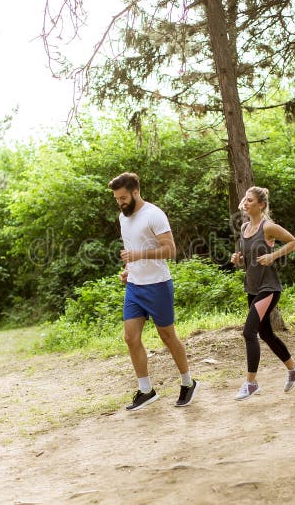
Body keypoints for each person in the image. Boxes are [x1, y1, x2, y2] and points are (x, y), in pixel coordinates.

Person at [109, 172, 199, 410]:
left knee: (167, 337)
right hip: (135, 287)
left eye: (123, 197)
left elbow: (170, 250)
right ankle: (146, 390)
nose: (120, 203)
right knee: (130, 338)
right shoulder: (123, 217)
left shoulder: (154, 215)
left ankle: (188, 382)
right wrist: (128, 268)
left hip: (158, 284)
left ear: (136, 191)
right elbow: (130, 248)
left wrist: (139, 256)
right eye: (117, 199)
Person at [230, 186, 295, 400]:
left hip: (269, 288)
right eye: (245, 199)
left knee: (248, 332)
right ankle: (294, 368)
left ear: (261, 205)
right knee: (265, 333)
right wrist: (238, 261)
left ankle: (251, 383)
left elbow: (294, 243)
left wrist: (273, 256)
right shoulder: (244, 227)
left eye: (250, 200)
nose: (246, 203)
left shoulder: (268, 227)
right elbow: (247, 262)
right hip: (252, 288)